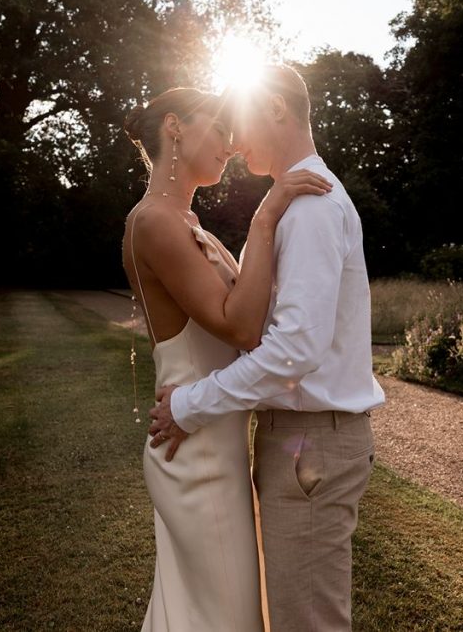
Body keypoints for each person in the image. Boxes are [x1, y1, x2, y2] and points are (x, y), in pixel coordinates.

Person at [149, 65, 386, 632]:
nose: (231, 142)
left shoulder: (310, 206)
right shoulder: (296, 202)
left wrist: (188, 404)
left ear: (277, 109)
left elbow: (293, 351)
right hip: (305, 445)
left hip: (312, 449)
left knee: (308, 624)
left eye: (238, 122)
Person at [121, 86, 332, 631]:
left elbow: (256, 326)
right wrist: (266, 219)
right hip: (195, 452)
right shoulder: (154, 222)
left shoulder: (193, 227)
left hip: (216, 440)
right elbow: (239, 325)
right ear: (175, 126)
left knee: (210, 614)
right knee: (226, 618)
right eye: (219, 128)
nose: (232, 144)